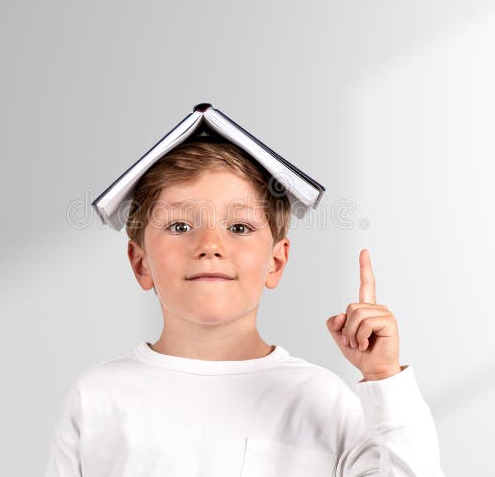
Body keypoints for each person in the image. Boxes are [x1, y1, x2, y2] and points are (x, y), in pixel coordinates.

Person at [44, 139, 445, 476]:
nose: (210, 246)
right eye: (180, 226)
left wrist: (385, 379)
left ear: (276, 261)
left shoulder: (320, 399)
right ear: (140, 262)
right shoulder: (97, 398)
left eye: (239, 228)